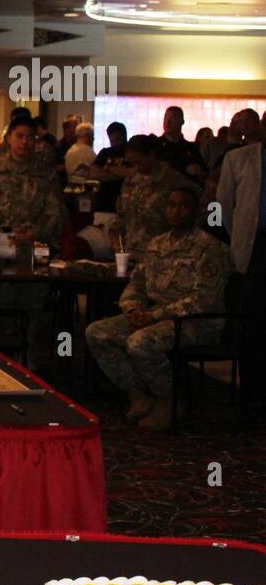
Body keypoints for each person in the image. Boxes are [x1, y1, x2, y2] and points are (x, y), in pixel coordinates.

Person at [86, 187, 231, 431]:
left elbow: (202, 300)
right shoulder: (157, 244)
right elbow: (136, 283)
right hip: (152, 315)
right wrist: (133, 310)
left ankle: (169, 399)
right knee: (97, 332)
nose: (176, 211)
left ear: (195, 211)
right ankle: (138, 394)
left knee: (140, 342)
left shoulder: (209, 248)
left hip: (196, 321)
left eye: (183, 205)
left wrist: (152, 316)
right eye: (171, 205)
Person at [0, 115, 66, 365]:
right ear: (8, 138)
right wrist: (6, 229)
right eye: (20, 136)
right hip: (3, 243)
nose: (25, 142)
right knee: (0, 301)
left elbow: (55, 208)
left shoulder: (44, 172)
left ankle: (29, 360)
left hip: (36, 245)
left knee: (33, 304)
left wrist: (37, 230)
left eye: (30, 137)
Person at [215, 121, 266, 423]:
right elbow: (223, 204)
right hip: (254, 245)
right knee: (254, 324)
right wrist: (238, 237)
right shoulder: (240, 158)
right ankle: (252, 399)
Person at [114, 134, 183, 262]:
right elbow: (121, 215)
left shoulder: (173, 181)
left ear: (151, 155)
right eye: (132, 164)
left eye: (138, 162)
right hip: (130, 255)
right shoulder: (131, 181)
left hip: (161, 256)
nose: (135, 167)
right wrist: (116, 238)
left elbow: (207, 208)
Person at [157, 105, 207, 181]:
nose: (168, 122)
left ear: (182, 121)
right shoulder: (155, 145)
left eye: (172, 118)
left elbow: (205, 173)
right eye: (166, 118)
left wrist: (198, 171)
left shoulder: (192, 148)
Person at [89, 122, 129, 214]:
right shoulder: (105, 152)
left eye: (117, 140)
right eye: (112, 141)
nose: (114, 144)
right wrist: (120, 174)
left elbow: (131, 172)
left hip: (124, 201)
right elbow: (93, 173)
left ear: (124, 137)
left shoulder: (130, 152)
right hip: (104, 202)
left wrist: (107, 168)